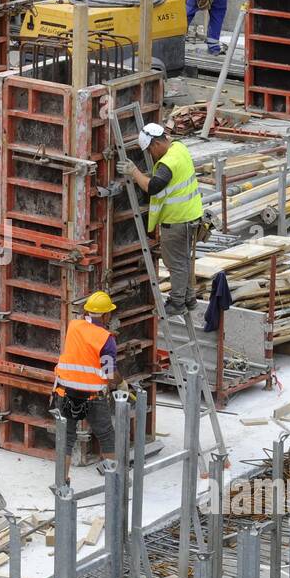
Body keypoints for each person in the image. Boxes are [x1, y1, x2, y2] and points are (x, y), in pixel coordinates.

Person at [126, 122, 204, 317]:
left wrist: (134, 172)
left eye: (150, 150)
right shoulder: (180, 148)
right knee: (184, 260)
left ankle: (177, 302)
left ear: (155, 144)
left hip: (177, 221)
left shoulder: (168, 163)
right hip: (191, 216)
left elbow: (152, 187)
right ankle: (189, 298)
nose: (151, 155)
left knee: (175, 263)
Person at [53, 291, 120, 462]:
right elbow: (109, 373)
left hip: (65, 391)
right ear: (106, 315)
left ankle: (62, 481)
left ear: (86, 311)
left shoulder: (73, 326)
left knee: (66, 438)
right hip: (92, 396)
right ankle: (115, 480)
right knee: (106, 436)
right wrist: (122, 382)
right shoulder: (106, 339)